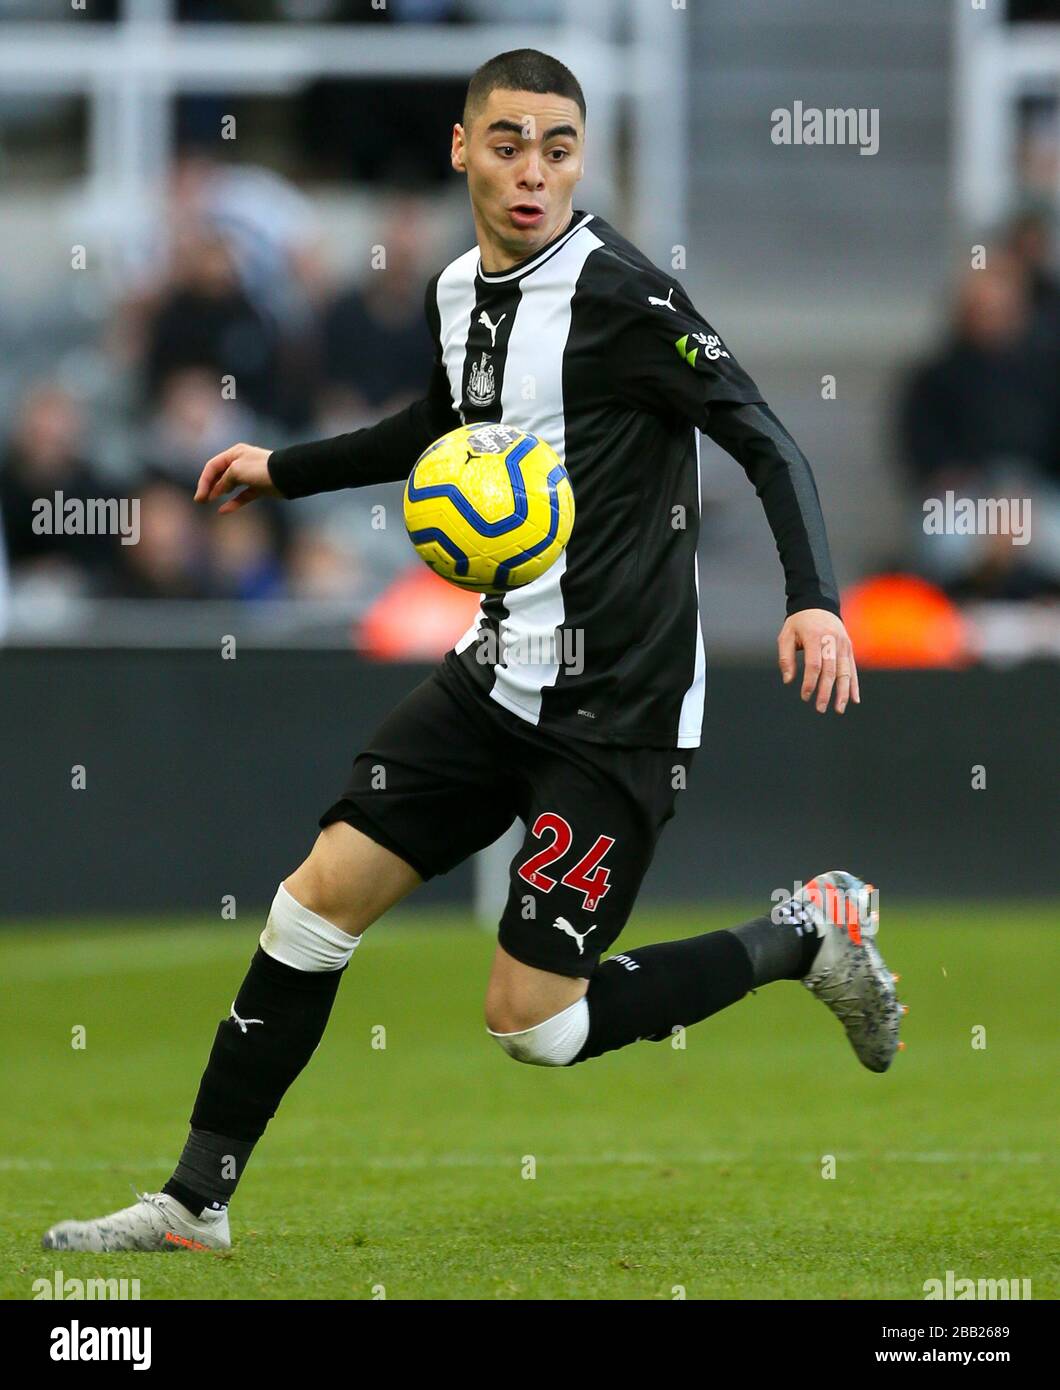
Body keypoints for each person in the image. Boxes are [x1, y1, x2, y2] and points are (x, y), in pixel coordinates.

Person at [43, 49, 903, 1255]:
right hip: (497, 674)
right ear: (461, 150)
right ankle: (195, 1203)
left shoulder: (623, 296)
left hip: (621, 704)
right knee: (309, 905)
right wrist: (281, 468)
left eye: (557, 146)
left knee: (533, 1024)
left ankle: (805, 936)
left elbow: (762, 434)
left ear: (579, 158)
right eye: (507, 143)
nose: (533, 171)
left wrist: (815, 598)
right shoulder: (460, 290)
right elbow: (439, 424)